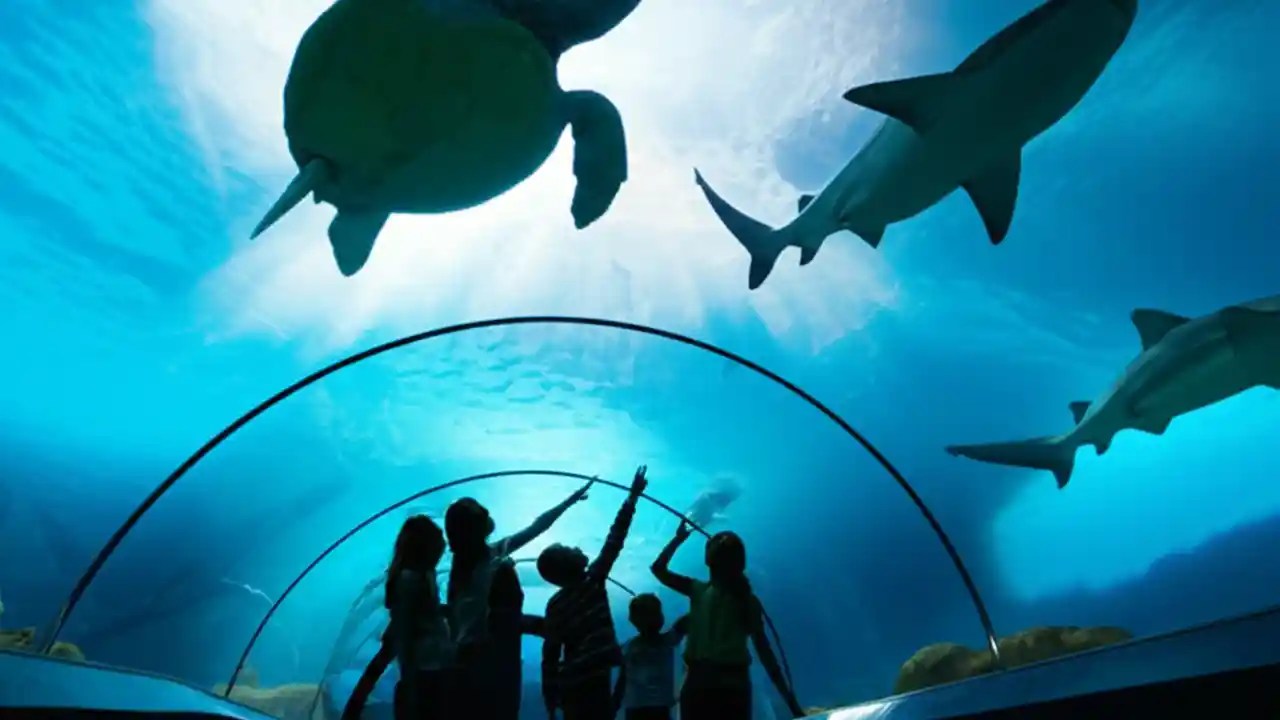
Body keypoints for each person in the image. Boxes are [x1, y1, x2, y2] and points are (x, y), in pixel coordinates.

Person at [445, 478, 595, 719]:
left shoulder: (487, 556)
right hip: (485, 654)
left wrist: (568, 502)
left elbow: (538, 527)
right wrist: (544, 627)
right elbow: (492, 617)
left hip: (491, 652)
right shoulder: (480, 563)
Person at [650, 523, 804, 720]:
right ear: (741, 562)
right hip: (734, 684)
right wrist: (791, 703)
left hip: (698, 683)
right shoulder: (748, 601)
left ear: (708, 560)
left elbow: (658, 569)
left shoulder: (698, 590)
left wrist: (678, 539)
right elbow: (767, 655)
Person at [539, 465, 648, 720]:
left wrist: (550, 698)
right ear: (567, 565)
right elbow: (615, 538)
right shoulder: (593, 580)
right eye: (569, 549)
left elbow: (550, 653)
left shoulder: (555, 603)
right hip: (593, 679)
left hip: (572, 683)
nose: (576, 547)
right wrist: (632, 497)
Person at [386, 514, 455, 720]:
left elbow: (424, 613)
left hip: (433, 664)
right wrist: (409, 678)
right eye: (437, 549)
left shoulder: (425, 574)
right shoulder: (410, 579)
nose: (440, 553)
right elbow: (405, 628)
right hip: (423, 668)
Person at [611, 594, 690, 720]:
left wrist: (614, 704)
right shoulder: (667, 641)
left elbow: (621, 682)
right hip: (658, 709)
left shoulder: (628, 648)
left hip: (637, 709)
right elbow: (684, 624)